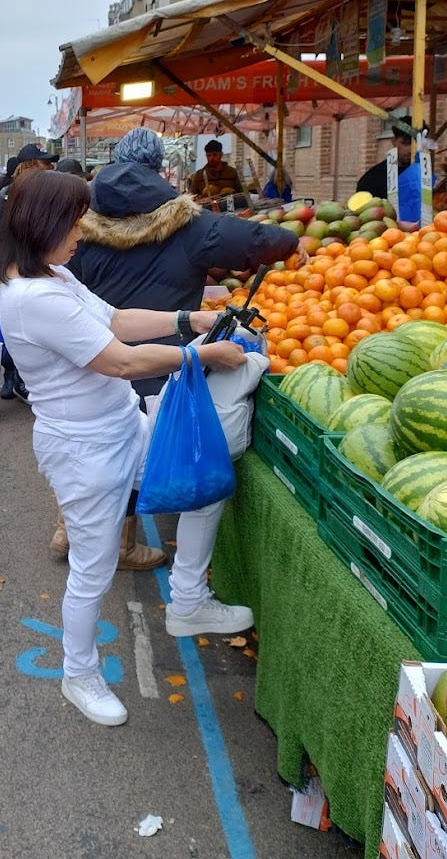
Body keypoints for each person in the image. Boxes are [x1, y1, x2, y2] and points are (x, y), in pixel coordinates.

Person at [0, 168, 247, 727]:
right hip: (84, 450)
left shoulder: (55, 275)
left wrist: (189, 318)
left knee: (203, 483)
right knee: (93, 567)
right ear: (43, 225)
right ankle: (78, 674)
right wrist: (200, 353)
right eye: (73, 221)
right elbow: (120, 360)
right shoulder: (33, 297)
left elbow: (116, 319)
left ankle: (187, 601)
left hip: (123, 425)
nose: (81, 231)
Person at [68, 125, 302, 607]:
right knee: (164, 456)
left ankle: (77, 531)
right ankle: (156, 571)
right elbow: (248, 238)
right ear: (158, 169)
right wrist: (289, 242)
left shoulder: (83, 226)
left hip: (102, 359)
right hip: (165, 364)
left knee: (109, 450)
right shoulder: (186, 224)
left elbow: (68, 288)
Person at [0, 144, 57, 400]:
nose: (50, 167)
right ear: (30, 165)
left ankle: (26, 378)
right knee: (12, 330)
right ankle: (11, 377)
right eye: (45, 162)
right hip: (12, 275)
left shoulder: (47, 194)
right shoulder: (7, 195)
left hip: (37, 271)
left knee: (35, 330)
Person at [357, 118, 422, 222]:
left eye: (417, 145)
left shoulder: (424, 175)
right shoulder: (371, 179)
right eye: (405, 143)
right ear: (394, 141)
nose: (411, 150)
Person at [187, 140, 245, 210]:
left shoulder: (232, 172)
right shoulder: (199, 175)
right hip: (208, 211)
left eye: (214, 155)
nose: (211, 158)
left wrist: (230, 193)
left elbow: (242, 194)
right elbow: (191, 198)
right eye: (209, 155)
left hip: (230, 210)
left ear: (221, 154)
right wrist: (201, 198)